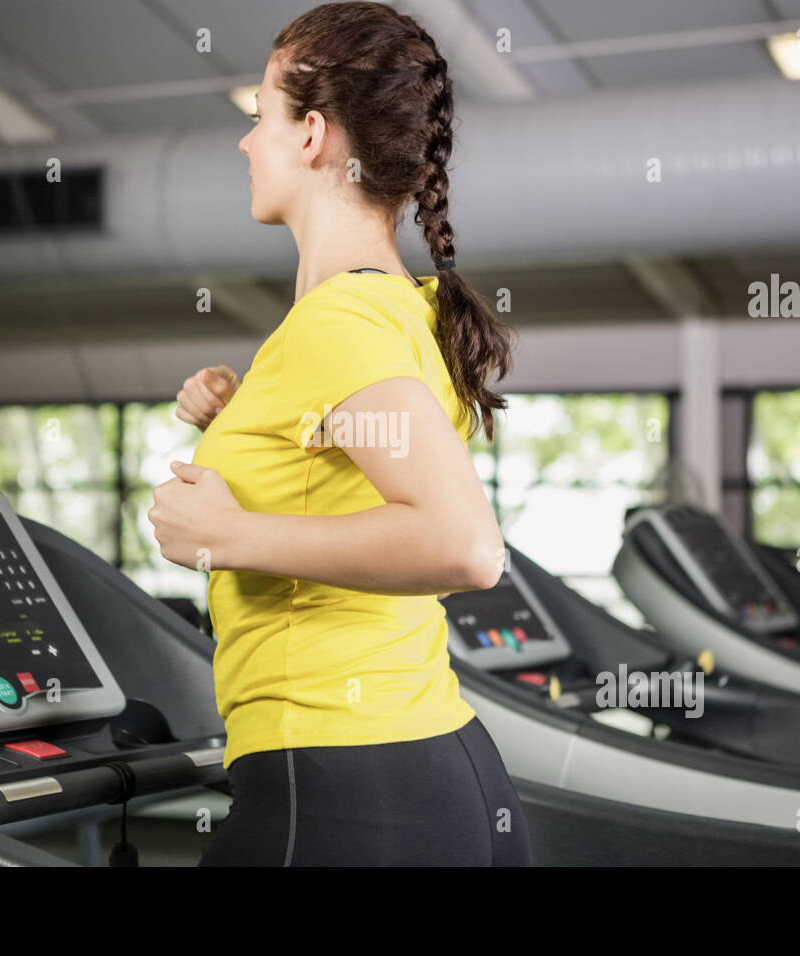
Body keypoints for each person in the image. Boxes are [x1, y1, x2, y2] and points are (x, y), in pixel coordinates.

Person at [147, 1, 530, 866]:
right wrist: (246, 419)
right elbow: (350, 472)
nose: (247, 143)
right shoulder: (401, 307)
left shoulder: (340, 319)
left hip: (343, 783)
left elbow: (464, 546)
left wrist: (229, 533)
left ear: (313, 133)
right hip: (434, 767)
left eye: (260, 119)